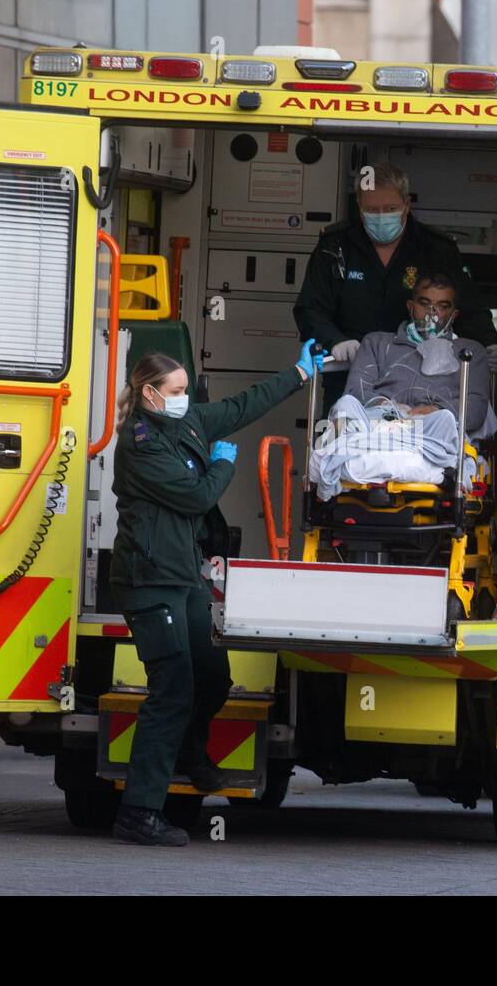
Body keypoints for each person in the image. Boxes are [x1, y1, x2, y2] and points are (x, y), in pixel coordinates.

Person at [108, 340, 325, 846]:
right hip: (149, 581)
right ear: (150, 394)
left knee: (213, 677)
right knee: (172, 690)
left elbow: (241, 406)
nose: (184, 397)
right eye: (176, 390)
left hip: (182, 576)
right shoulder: (140, 445)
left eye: (186, 389)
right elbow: (196, 496)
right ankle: (139, 812)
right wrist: (224, 464)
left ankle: (187, 753)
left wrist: (298, 373)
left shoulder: (185, 422)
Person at [294, 161, 497, 408]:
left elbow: (465, 305)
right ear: (359, 207)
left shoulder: (435, 248)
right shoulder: (335, 247)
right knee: (343, 428)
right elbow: (310, 308)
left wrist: (489, 343)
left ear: (406, 204)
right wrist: (335, 341)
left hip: (423, 380)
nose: (381, 216)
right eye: (372, 209)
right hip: (348, 376)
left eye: (390, 208)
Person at [344, 269, 490, 434]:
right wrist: (387, 408)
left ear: (454, 314)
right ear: (411, 306)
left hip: (435, 432)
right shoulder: (377, 343)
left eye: (442, 306)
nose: (432, 312)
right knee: (345, 406)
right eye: (424, 303)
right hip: (378, 427)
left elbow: (476, 407)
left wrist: (435, 411)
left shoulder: (470, 352)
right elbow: (354, 392)